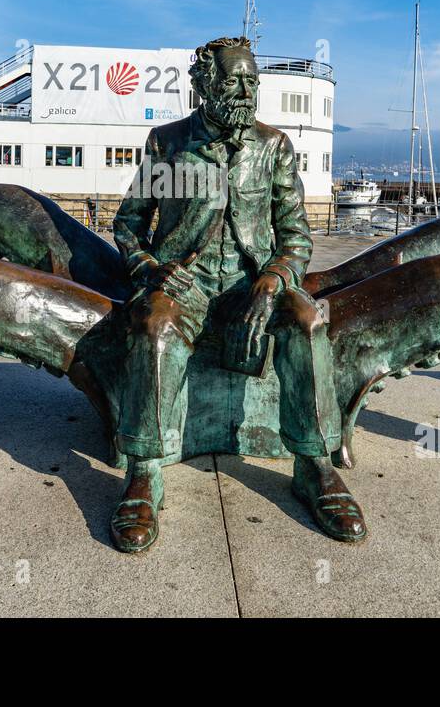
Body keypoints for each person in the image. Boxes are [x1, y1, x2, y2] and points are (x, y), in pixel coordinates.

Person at [110, 36, 366, 552]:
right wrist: (153, 272)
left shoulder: (274, 147)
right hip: (186, 284)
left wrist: (272, 282)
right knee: (154, 327)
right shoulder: (167, 143)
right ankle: (144, 473)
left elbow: (295, 237)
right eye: (234, 80)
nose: (246, 90)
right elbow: (128, 227)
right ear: (204, 84)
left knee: (307, 322)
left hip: (253, 284)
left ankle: (315, 465)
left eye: (252, 80)